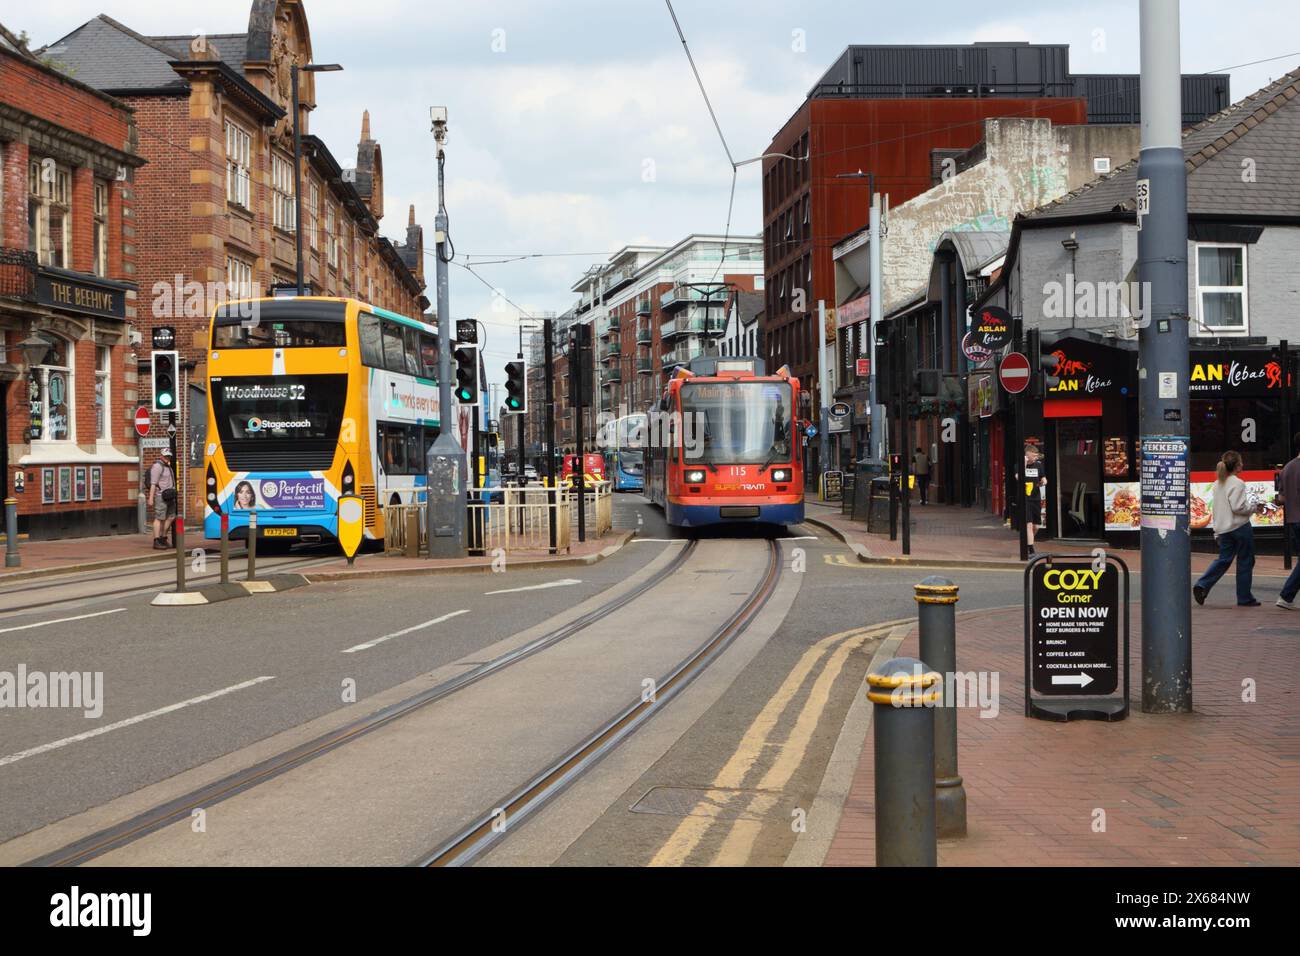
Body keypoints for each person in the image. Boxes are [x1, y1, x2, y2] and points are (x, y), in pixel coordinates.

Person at [1194, 450, 1260, 607]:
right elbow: (1238, 507)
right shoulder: (1238, 483)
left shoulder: (1217, 484)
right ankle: (1244, 597)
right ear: (1237, 466)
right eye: (1241, 463)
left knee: (1223, 560)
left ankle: (1203, 584)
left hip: (1223, 529)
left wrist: (1216, 531)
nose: (1243, 465)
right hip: (1240, 527)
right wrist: (1253, 508)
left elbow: (1217, 509)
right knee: (1245, 561)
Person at [1275, 435, 1300, 609]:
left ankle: (1286, 596)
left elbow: (1281, 497)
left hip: (1292, 519)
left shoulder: (1288, 468)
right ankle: (1286, 595)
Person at [146, 450, 177, 550]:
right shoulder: (157, 467)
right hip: (161, 496)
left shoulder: (168, 467)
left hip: (170, 496)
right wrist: (150, 498)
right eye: (166, 456)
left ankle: (163, 537)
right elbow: (153, 483)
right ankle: (156, 540)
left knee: (171, 516)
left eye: (169, 456)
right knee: (159, 517)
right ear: (161, 456)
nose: (167, 458)